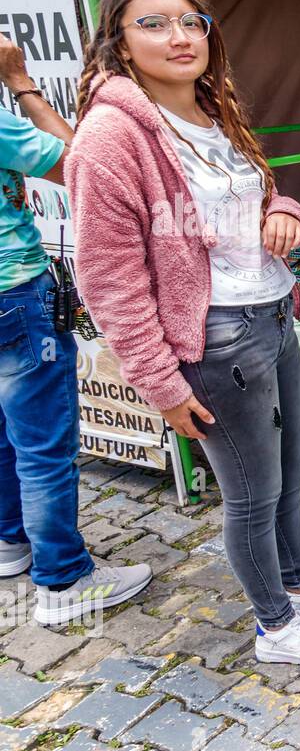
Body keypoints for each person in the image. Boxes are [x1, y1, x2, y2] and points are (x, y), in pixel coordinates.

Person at [66, 0, 300, 665]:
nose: (179, 37)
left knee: (293, 469)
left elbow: (261, 194)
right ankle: (275, 628)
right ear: (117, 39)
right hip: (213, 338)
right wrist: (162, 385)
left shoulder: (208, 107)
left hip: (271, 312)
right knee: (250, 493)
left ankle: (298, 584)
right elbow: (109, 279)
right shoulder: (111, 137)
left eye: (190, 21)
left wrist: (286, 214)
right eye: (153, 23)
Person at [0, 32, 154, 626]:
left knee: (3, 434)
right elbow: (80, 166)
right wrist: (21, 84)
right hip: (12, 292)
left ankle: (11, 543)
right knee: (42, 448)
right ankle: (63, 578)